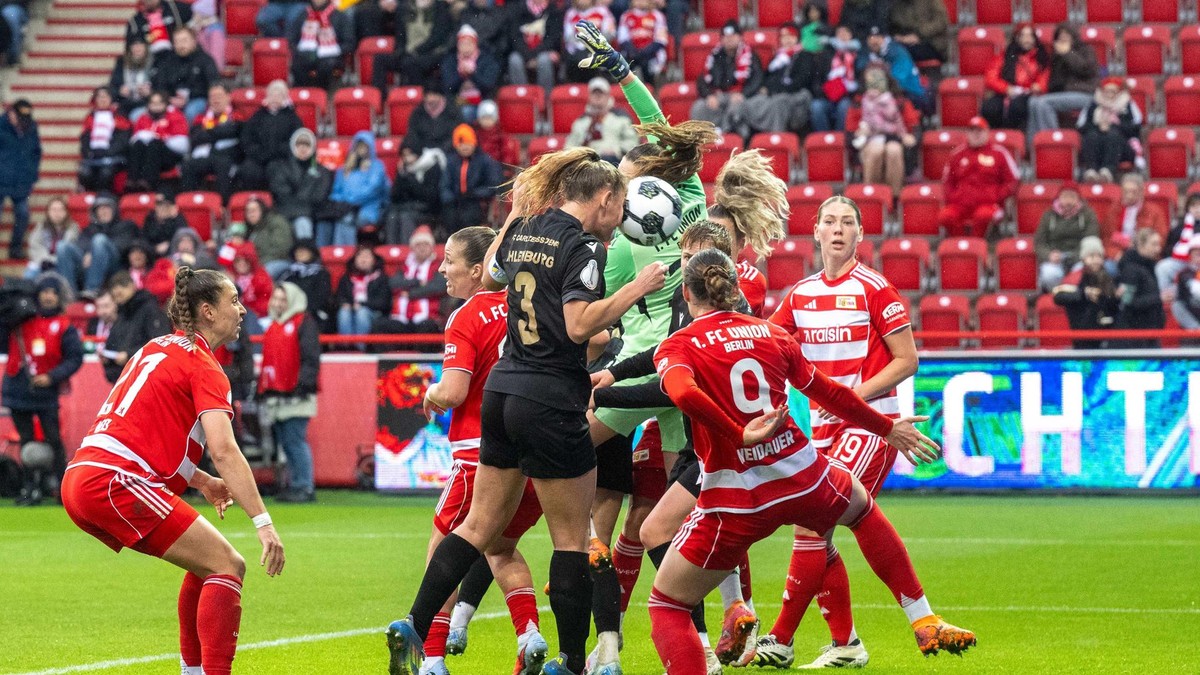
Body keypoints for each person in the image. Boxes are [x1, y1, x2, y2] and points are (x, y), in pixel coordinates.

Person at [386, 147, 668, 675]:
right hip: (550, 398)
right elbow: (582, 326)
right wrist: (637, 287)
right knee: (573, 538)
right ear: (604, 198)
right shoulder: (582, 247)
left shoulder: (528, 229)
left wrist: (516, 210)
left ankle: (414, 625)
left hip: (501, 394)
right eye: (621, 203)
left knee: (478, 526)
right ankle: (571, 660)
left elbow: (491, 267)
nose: (623, 215)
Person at [647, 248, 975, 674]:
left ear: (687, 296)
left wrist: (738, 432)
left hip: (736, 499)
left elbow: (683, 394)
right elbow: (830, 393)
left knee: (667, 604)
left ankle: (742, 613)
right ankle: (923, 618)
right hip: (802, 477)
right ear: (734, 290)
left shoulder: (679, 345)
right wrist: (887, 427)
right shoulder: (772, 336)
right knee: (860, 508)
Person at [61, 267, 285, 675]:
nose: (241, 310)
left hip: (84, 475)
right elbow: (224, 448)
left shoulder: (155, 348)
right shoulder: (204, 365)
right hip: (113, 480)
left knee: (207, 564)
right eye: (233, 301)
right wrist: (263, 522)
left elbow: (142, 433)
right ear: (208, 312)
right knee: (228, 565)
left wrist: (201, 481)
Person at [756, 195, 919, 668]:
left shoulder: (876, 288)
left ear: (860, 235)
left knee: (811, 524)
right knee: (817, 535)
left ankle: (781, 639)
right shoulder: (801, 294)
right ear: (817, 232)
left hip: (870, 428)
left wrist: (854, 399)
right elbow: (767, 346)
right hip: (822, 431)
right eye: (829, 221)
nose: (838, 229)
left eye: (847, 222)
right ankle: (845, 643)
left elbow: (907, 360)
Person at [588, 221, 752, 674]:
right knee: (685, 533)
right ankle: (722, 623)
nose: (685, 267)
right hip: (702, 444)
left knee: (667, 533)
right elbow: (665, 352)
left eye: (693, 259)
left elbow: (669, 388)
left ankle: (703, 637)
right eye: (682, 257)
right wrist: (615, 376)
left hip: (718, 450)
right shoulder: (691, 305)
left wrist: (606, 392)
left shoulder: (718, 319)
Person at [401, 226, 550, 675]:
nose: (442, 268)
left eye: (450, 260)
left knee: (443, 553)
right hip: (535, 451)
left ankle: (431, 658)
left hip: (480, 453)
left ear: (479, 267)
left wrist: (433, 393)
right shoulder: (529, 306)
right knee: (501, 548)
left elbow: (456, 389)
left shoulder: (466, 315)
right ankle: (529, 634)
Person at [2, 273, 83, 505]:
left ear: (58, 297)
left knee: (53, 439)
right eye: (44, 292)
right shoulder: (19, 320)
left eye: (52, 292)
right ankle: (30, 488)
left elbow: (74, 358)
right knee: (26, 440)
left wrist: (52, 377)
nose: (48, 297)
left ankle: (62, 487)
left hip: (45, 392)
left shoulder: (64, 326)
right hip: (18, 388)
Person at [259, 282, 320, 502]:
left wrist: (302, 385)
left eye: (282, 299)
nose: (277, 303)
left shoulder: (304, 322)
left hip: (296, 394)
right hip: (279, 393)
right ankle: (296, 484)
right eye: (275, 299)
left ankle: (304, 485)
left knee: (295, 440)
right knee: (287, 442)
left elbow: (311, 357)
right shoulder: (274, 325)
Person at [937, 116, 1019, 238]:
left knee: (983, 216)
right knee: (945, 216)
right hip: (961, 205)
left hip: (989, 205)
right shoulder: (957, 154)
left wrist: (997, 196)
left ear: (987, 132)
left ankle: (977, 247)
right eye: (972, 131)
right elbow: (947, 182)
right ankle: (960, 243)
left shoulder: (999, 153)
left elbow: (1013, 180)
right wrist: (954, 197)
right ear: (967, 134)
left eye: (979, 131)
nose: (976, 134)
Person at [851, 65, 917, 196]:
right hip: (869, 141)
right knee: (876, 150)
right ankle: (872, 195)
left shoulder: (899, 102)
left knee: (894, 151)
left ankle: (894, 197)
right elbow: (850, 133)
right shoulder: (859, 103)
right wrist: (858, 133)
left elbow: (913, 129)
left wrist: (906, 136)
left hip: (895, 139)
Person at [738, 22, 813, 137]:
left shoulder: (805, 55)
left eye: (790, 36)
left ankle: (776, 137)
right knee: (750, 103)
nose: (787, 40)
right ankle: (748, 137)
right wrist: (767, 88)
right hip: (773, 93)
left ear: (797, 38)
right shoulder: (778, 57)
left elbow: (801, 81)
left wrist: (774, 89)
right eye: (784, 37)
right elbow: (768, 78)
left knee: (778, 103)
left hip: (796, 95)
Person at [1027, 24, 1099, 141]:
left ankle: (1052, 141)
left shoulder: (1086, 50)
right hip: (1064, 94)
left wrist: (1067, 54)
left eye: (1066, 36)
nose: (1063, 40)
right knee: (1033, 102)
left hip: (1086, 93)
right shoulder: (1057, 54)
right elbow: (1054, 81)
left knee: (1043, 103)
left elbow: (1086, 70)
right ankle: (1034, 144)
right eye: (1060, 37)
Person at [690, 21, 763, 134]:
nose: (729, 39)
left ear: (740, 37)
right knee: (699, 107)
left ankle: (730, 137)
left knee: (736, 108)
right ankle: (704, 137)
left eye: (733, 36)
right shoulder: (714, 56)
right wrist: (709, 95)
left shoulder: (750, 56)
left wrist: (743, 94)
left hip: (740, 96)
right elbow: (702, 80)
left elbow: (757, 80)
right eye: (725, 36)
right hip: (718, 95)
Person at [320, 131, 391, 247]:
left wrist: (350, 199)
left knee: (346, 219)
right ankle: (334, 254)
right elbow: (336, 191)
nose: (362, 149)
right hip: (347, 207)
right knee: (334, 219)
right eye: (359, 146)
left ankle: (345, 253)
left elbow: (373, 189)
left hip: (370, 207)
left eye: (365, 146)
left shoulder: (377, 166)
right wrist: (343, 202)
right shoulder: (344, 168)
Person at [100, 270, 173, 383]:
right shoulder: (122, 314)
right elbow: (113, 342)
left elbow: (160, 342)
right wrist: (107, 357)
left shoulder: (150, 310)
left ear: (131, 286)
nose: (118, 299)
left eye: (120, 294)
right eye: (115, 297)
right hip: (125, 377)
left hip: (145, 376)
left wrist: (129, 355)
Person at [372, 225, 445, 336]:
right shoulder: (404, 267)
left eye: (426, 244)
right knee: (380, 325)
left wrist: (410, 294)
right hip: (401, 318)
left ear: (431, 248)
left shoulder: (438, 267)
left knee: (428, 327)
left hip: (427, 317)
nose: (422, 248)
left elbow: (437, 287)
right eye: (418, 245)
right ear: (412, 248)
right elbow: (394, 283)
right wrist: (418, 282)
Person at [370, 0, 454, 93]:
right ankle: (379, 98)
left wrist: (416, 50)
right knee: (380, 59)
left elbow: (437, 37)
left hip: (430, 53)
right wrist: (401, 51)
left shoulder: (440, 8)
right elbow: (400, 36)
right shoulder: (406, 8)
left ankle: (415, 98)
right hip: (408, 52)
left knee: (410, 63)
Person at [62, 194, 136, 297]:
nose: (103, 212)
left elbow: (123, 246)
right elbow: (81, 244)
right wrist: (90, 252)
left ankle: (92, 289)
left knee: (99, 240)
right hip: (89, 266)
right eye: (100, 209)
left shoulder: (126, 225)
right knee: (63, 247)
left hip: (116, 266)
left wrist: (95, 251)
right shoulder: (90, 229)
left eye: (106, 208)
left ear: (114, 209)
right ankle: (68, 294)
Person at [1053, 235, 1119, 349]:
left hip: (1106, 336)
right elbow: (1059, 296)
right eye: (1091, 256)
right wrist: (1084, 294)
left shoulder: (1107, 278)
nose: (1096, 260)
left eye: (1099, 256)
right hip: (1082, 336)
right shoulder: (1075, 277)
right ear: (1083, 258)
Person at [981, 24, 1050, 131]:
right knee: (990, 107)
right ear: (1017, 38)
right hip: (1006, 92)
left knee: (1017, 107)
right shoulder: (1005, 55)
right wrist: (1006, 88)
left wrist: (1038, 86)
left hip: (1029, 94)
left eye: (1030, 36)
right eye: (1023, 35)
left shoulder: (1041, 57)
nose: (1027, 39)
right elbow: (991, 78)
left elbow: (1045, 77)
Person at [1034, 182, 1101, 291]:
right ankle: (1056, 296)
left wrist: (1077, 256)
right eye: (1065, 197)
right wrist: (1048, 255)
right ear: (1059, 198)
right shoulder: (1048, 215)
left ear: (1078, 198)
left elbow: (1091, 239)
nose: (1068, 201)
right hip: (1055, 257)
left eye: (1072, 197)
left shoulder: (1088, 214)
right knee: (1048, 275)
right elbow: (1039, 242)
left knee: (1084, 273)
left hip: (1080, 257)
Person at [269, 127, 332, 240]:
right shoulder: (281, 168)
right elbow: (282, 194)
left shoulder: (322, 171)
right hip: (286, 212)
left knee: (303, 223)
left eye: (307, 145)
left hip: (311, 215)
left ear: (313, 147)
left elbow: (319, 197)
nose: (303, 148)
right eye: (299, 145)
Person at [239, 80, 303, 191]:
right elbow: (247, 138)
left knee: (276, 170)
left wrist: (278, 151)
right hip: (258, 157)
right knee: (248, 169)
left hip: (281, 158)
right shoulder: (257, 116)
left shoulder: (292, 118)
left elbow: (296, 140)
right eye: (272, 94)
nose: (275, 97)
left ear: (285, 98)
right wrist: (258, 152)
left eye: (279, 94)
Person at [181, 83, 241, 200]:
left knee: (223, 165)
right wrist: (220, 131)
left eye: (219, 96)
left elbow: (234, 131)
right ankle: (188, 202)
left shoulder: (236, 115)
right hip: (205, 156)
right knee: (188, 165)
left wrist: (209, 133)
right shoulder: (201, 117)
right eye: (212, 97)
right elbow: (196, 137)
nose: (215, 100)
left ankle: (223, 205)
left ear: (228, 97)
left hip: (227, 157)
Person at [1077, 77, 1143, 184]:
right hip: (1097, 143)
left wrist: (1117, 124)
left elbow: (1136, 127)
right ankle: (1091, 170)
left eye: (1113, 91)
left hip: (1122, 147)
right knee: (1091, 136)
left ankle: (1108, 171)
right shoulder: (1093, 105)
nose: (1109, 94)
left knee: (1113, 135)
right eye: (1107, 91)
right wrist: (1098, 124)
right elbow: (1082, 127)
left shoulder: (1128, 104)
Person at [151, 27, 220, 123]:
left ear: (193, 41)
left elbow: (213, 85)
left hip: (198, 99)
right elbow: (160, 85)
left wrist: (188, 98)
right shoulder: (167, 61)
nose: (181, 45)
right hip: (170, 100)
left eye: (184, 40)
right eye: (177, 41)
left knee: (190, 111)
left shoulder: (206, 60)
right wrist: (168, 99)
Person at [564, 78, 639, 164]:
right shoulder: (581, 123)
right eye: (594, 93)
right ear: (589, 96)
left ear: (608, 96)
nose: (598, 96)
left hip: (613, 161)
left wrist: (616, 150)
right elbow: (568, 147)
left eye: (601, 93)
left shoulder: (621, 119)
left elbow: (633, 143)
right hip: (587, 164)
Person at [857, 25, 929, 113]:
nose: (874, 41)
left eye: (878, 37)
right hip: (882, 93)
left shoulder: (898, 52)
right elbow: (861, 70)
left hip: (910, 93)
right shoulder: (867, 53)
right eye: (871, 38)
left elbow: (898, 79)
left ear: (884, 38)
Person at [1114, 227, 1167, 349]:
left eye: (1159, 244)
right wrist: (1158, 298)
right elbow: (1128, 303)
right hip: (1133, 339)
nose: (1158, 249)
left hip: (1150, 334)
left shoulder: (1152, 267)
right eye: (1154, 244)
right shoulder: (1130, 269)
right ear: (1141, 245)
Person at [0, 98, 40, 260]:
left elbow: (36, 151)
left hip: (22, 179)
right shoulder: (1, 126)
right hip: (2, 178)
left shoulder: (31, 127)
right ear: (11, 113)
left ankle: (15, 248)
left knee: (23, 214)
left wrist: (32, 173)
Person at [127, 91, 190, 192]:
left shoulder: (175, 116)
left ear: (165, 104)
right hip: (146, 155)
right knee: (138, 145)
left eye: (159, 103)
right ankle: (132, 181)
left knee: (154, 144)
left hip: (169, 156)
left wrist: (159, 137)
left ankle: (147, 182)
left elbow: (182, 144)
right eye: (153, 104)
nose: (156, 107)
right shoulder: (143, 118)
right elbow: (134, 139)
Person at [387, 136, 444, 245]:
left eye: (410, 154)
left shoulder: (432, 166)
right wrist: (401, 177)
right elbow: (395, 197)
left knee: (405, 217)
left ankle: (406, 250)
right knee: (392, 216)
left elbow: (430, 197)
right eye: (404, 155)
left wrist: (411, 179)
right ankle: (392, 248)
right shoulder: (403, 169)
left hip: (427, 210)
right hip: (408, 207)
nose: (407, 158)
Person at [1101, 173, 1168, 261]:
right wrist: (1115, 254)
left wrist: (1143, 252)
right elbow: (1106, 238)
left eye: (1133, 192)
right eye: (1126, 191)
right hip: (1119, 254)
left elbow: (1160, 238)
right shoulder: (1113, 210)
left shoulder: (1154, 211)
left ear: (1141, 192)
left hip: (1145, 255)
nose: (1129, 196)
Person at [288, 0, 353, 89]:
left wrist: (332, 50)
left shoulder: (339, 16)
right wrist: (300, 51)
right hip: (306, 57)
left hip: (332, 59)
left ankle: (325, 97)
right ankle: (303, 97)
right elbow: (292, 40)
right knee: (298, 65)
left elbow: (349, 43)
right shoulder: (303, 15)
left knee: (328, 66)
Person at [79, 87, 131, 194]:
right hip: (93, 156)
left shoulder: (119, 116)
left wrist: (108, 152)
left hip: (113, 156)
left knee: (106, 173)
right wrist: (89, 152)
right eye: (99, 97)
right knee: (85, 173)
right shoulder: (90, 117)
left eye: (105, 97)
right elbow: (85, 139)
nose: (102, 100)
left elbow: (122, 140)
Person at [442, 24, 500, 119]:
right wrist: (461, 76)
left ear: (475, 44)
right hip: (458, 101)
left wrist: (473, 74)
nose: (466, 47)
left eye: (469, 43)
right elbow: (448, 86)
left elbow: (489, 85)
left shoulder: (487, 60)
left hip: (482, 100)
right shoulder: (450, 61)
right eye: (462, 44)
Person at [506, 0, 564, 92]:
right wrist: (529, 57)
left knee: (544, 60)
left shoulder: (553, 10)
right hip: (524, 53)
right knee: (514, 59)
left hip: (544, 52)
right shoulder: (518, 9)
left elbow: (553, 39)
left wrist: (534, 55)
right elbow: (515, 37)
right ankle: (522, 97)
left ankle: (545, 99)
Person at [335, 244, 390, 340]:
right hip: (351, 310)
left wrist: (362, 304)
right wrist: (345, 304)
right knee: (344, 312)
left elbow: (383, 303)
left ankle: (361, 349)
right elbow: (338, 297)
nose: (363, 259)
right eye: (360, 256)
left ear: (374, 260)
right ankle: (346, 348)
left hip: (374, 312)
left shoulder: (381, 278)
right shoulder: (346, 278)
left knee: (362, 312)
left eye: (367, 256)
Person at [811, 24, 860, 132]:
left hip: (848, 97)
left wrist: (851, 87)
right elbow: (817, 80)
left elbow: (861, 78)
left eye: (846, 32)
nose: (842, 35)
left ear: (851, 35)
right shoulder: (825, 56)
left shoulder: (858, 56)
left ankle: (840, 139)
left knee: (844, 106)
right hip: (827, 96)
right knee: (816, 106)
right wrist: (827, 90)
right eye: (839, 32)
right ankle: (823, 139)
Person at [278, 239, 332, 331]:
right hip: (289, 315)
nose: (301, 253)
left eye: (305, 250)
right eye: (298, 250)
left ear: (312, 253)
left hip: (313, 316)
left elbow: (321, 298)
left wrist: (302, 311)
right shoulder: (288, 275)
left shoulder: (321, 274)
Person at [24, 198, 80, 282]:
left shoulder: (73, 228)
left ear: (66, 212)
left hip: (64, 264)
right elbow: (35, 246)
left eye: (60, 210)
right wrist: (46, 259)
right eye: (54, 210)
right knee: (30, 274)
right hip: (44, 261)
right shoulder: (41, 227)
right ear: (48, 212)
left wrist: (53, 261)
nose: (57, 213)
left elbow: (70, 249)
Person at [564, 0, 616, 84]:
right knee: (576, 59)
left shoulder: (603, 11)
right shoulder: (570, 14)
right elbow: (568, 37)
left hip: (598, 48)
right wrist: (581, 46)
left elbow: (610, 33)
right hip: (577, 49)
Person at [616, 0, 668, 83]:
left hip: (652, 55)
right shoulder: (626, 16)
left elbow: (661, 40)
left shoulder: (657, 15)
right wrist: (634, 52)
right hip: (632, 54)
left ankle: (652, 89)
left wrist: (644, 52)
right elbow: (622, 39)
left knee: (648, 65)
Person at [1159, 193, 1200, 294]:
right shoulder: (1180, 227)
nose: (1197, 209)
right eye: (1193, 206)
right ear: (1188, 208)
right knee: (1163, 267)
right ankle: (1166, 296)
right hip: (1183, 262)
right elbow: (1169, 247)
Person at [243, 198, 293, 279]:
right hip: (257, 264)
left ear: (263, 210)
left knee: (264, 273)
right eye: (248, 211)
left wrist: (258, 264)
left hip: (279, 261)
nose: (250, 214)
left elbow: (281, 249)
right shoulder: (249, 229)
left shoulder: (277, 222)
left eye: (254, 210)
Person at [887, 0, 949, 65]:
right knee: (890, 50)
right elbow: (894, 25)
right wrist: (901, 37)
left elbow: (941, 22)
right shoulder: (896, 4)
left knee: (903, 52)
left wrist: (918, 35)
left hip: (931, 43)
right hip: (905, 42)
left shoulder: (931, 2)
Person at [406, 84, 464, 154]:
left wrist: (441, 150)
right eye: (428, 96)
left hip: (448, 152)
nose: (430, 99)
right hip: (423, 152)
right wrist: (422, 151)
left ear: (441, 96)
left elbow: (456, 133)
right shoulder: (418, 113)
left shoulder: (453, 111)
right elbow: (413, 135)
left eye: (434, 95)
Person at [125, 0, 192, 55]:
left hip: (177, 56)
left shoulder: (175, 8)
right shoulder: (135, 21)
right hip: (150, 61)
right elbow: (130, 49)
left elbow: (195, 16)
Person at [473, 100, 520, 177]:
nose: (487, 121)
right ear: (479, 119)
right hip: (479, 168)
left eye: (490, 118)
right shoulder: (475, 133)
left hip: (497, 167)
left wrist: (506, 167)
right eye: (484, 118)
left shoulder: (501, 134)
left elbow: (507, 152)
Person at [110, 38, 155, 119]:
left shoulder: (154, 62)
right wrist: (120, 91)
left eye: (140, 45)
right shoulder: (122, 62)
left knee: (136, 116)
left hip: (146, 104)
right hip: (125, 103)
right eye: (134, 45)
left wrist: (150, 92)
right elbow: (113, 85)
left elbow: (162, 87)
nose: (137, 48)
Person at [188, 0, 226, 70]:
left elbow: (217, 55)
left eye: (196, 13)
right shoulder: (198, 30)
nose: (194, 16)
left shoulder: (215, 32)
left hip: (210, 70)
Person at [1172, 239, 1200, 330]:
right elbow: (1195, 291)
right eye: (1198, 255)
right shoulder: (1184, 274)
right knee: (1176, 305)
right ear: (1190, 256)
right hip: (1192, 316)